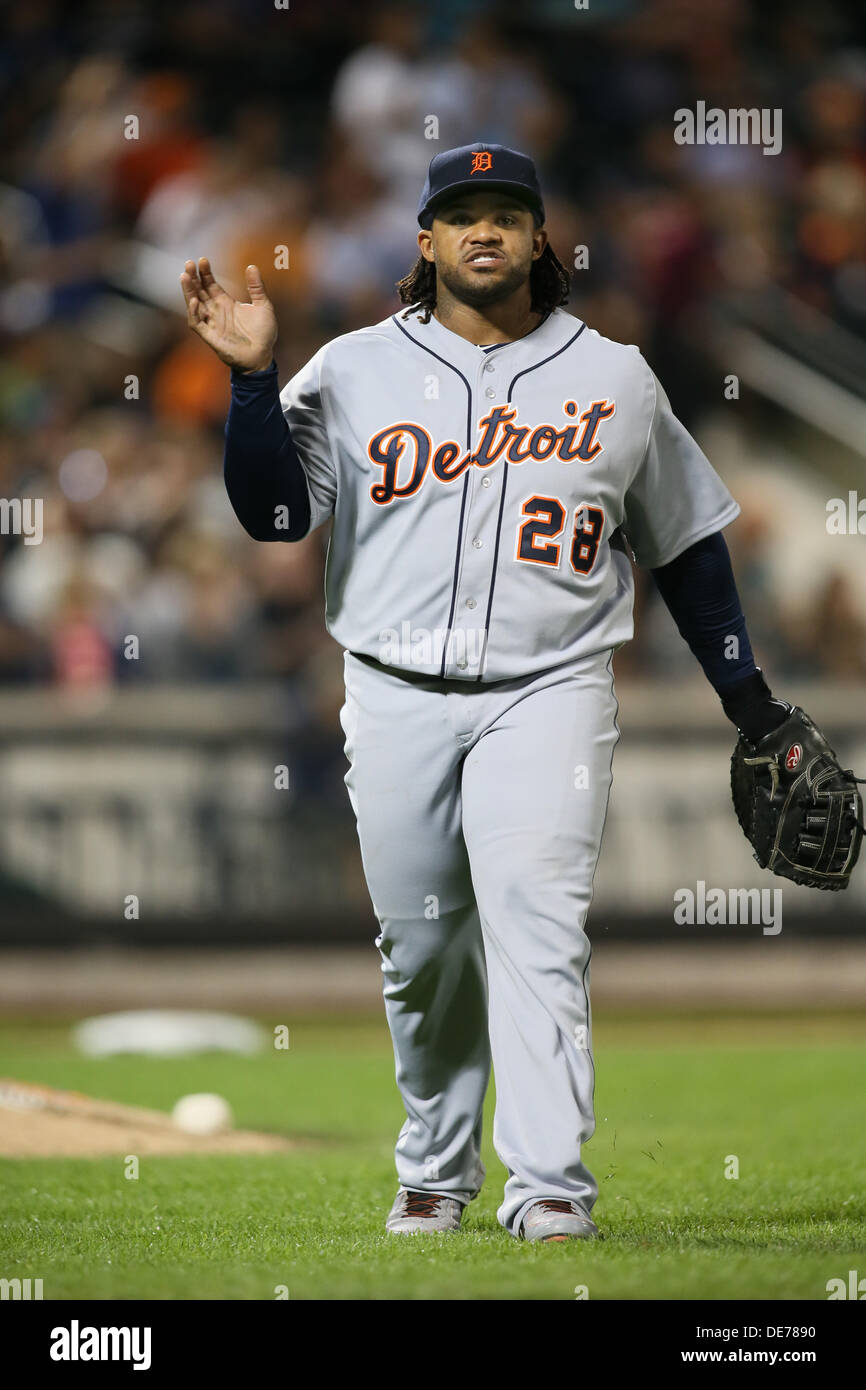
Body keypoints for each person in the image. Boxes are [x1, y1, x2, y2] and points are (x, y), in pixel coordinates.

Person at [180, 144, 795, 1243]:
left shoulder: (612, 375)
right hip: (391, 686)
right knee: (420, 949)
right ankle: (434, 1163)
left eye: (505, 214)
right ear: (424, 241)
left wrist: (747, 700)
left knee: (536, 921)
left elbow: (687, 549)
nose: (482, 231)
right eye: (459, 214)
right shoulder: (356, 366)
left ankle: (549, 1183)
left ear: (536, 239)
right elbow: (273, 520)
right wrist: (250, 381)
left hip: (551, 687)